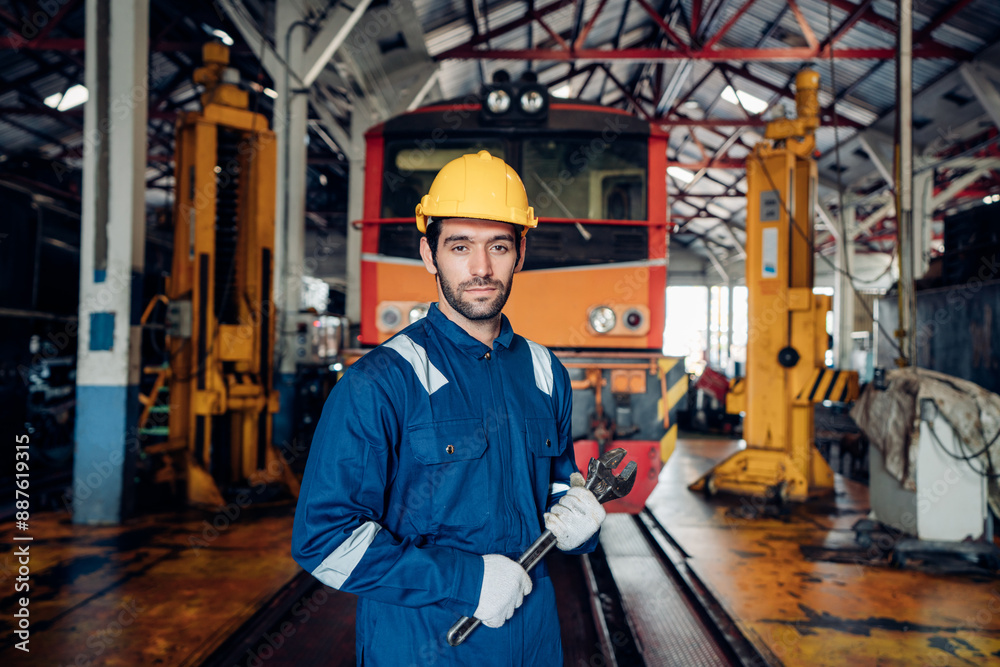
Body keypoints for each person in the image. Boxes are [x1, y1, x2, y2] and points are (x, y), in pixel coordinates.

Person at [292, 150, 607, 666]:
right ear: (429, 253)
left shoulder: (546, 371)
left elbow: (555, 485)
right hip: (427, 647)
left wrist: (580, 525)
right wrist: (469, 580)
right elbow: (324, 540)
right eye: (460, 246)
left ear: (520, 253)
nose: (481, 268)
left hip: (533, 646)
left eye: (498, 246)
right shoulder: (380, 382)